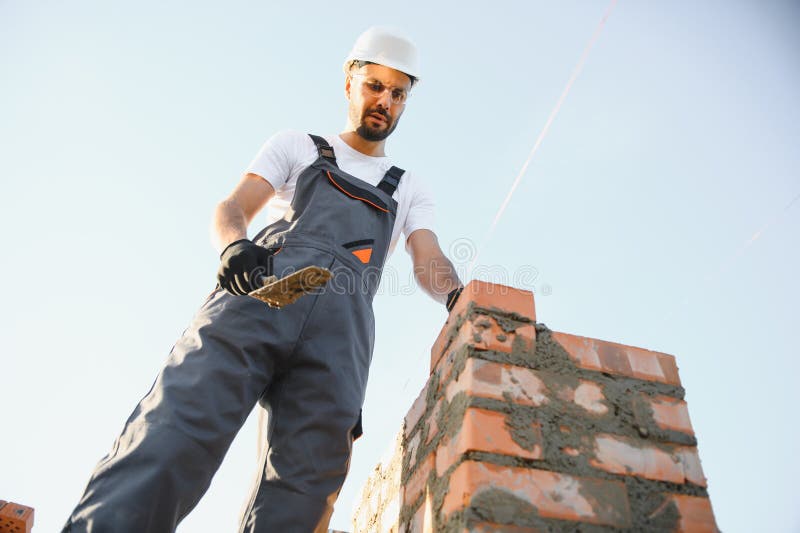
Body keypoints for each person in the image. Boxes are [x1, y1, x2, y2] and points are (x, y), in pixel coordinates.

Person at [62, 26, 463, 532]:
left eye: (398, 93)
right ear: (349, 83)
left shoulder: (406, 187)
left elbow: (427, 255)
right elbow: (233, 207)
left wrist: (456, 294)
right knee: (174, 436)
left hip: (339, 338)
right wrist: (234, 245)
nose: (385, 100)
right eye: (374, 85)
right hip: (263, 297)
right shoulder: (298, 145)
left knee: (304, 491)